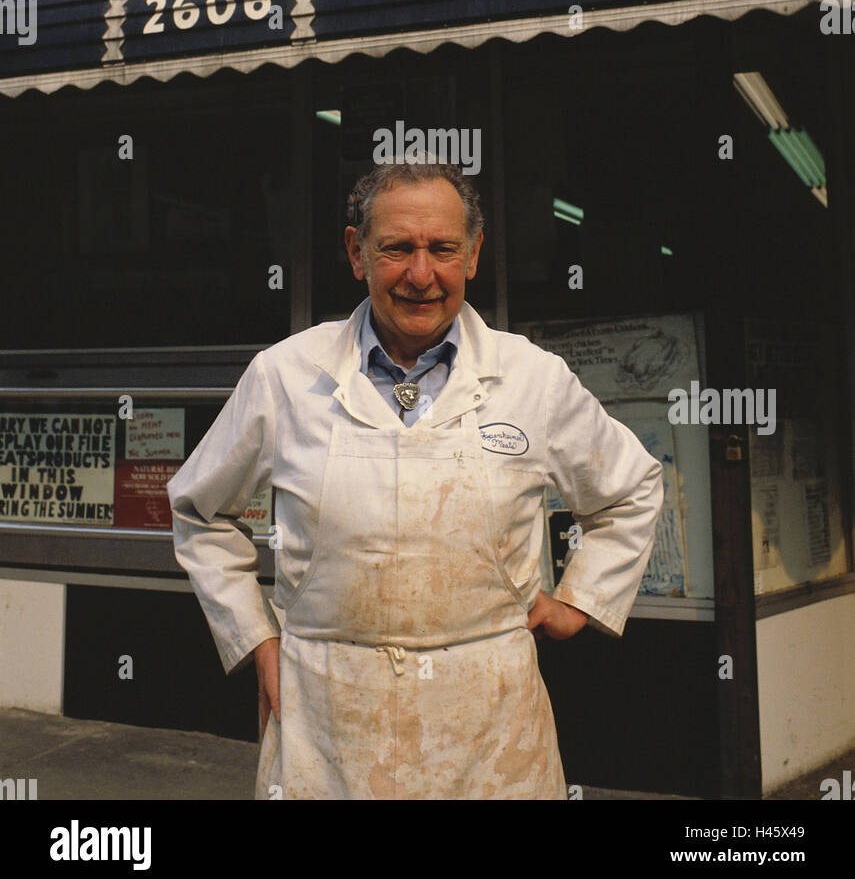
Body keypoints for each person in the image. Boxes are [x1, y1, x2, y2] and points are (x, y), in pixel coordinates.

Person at [167, 161, 663, 800]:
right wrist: (256, 638)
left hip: (490, 729)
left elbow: (630, 489)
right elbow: (201, 511)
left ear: (474, 255)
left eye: (443, 249)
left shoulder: (533, 379)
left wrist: (578, 602)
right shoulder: (285, 376)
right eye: (397, 248)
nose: (421, 274)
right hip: (326, 717)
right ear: (357, 253)